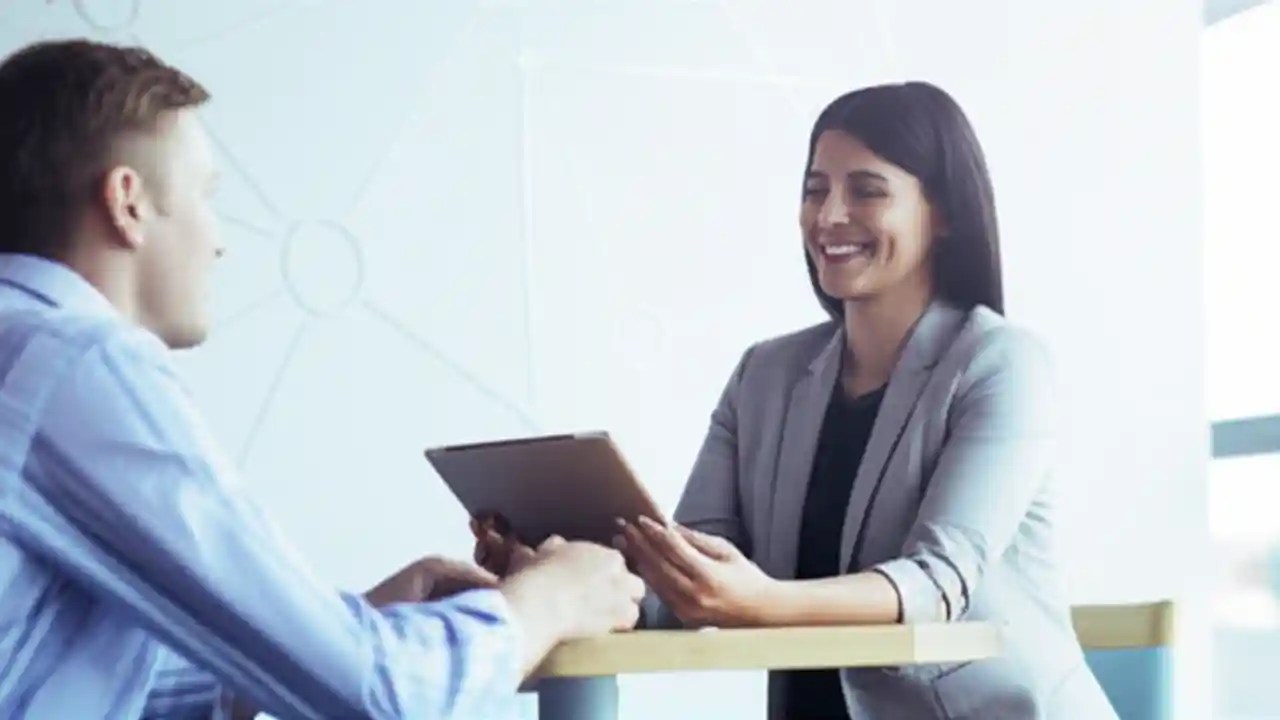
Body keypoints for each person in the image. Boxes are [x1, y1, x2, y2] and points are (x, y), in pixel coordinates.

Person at [0, 38, 644, 719]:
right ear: (128, 202)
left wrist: (352, 626)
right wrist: (548, 602)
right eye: (205, 196)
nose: (219, 240)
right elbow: (383, 695)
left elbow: (51, 688)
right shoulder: (76, 364)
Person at [477, 82, 1118, 719]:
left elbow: (936, 582)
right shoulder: (765, 375)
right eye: (815, 189)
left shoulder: (1002, 363)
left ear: (943, 212)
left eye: (866, 190)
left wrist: (756, 602)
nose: (829, 215)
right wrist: (559, 574)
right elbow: (686, 579)